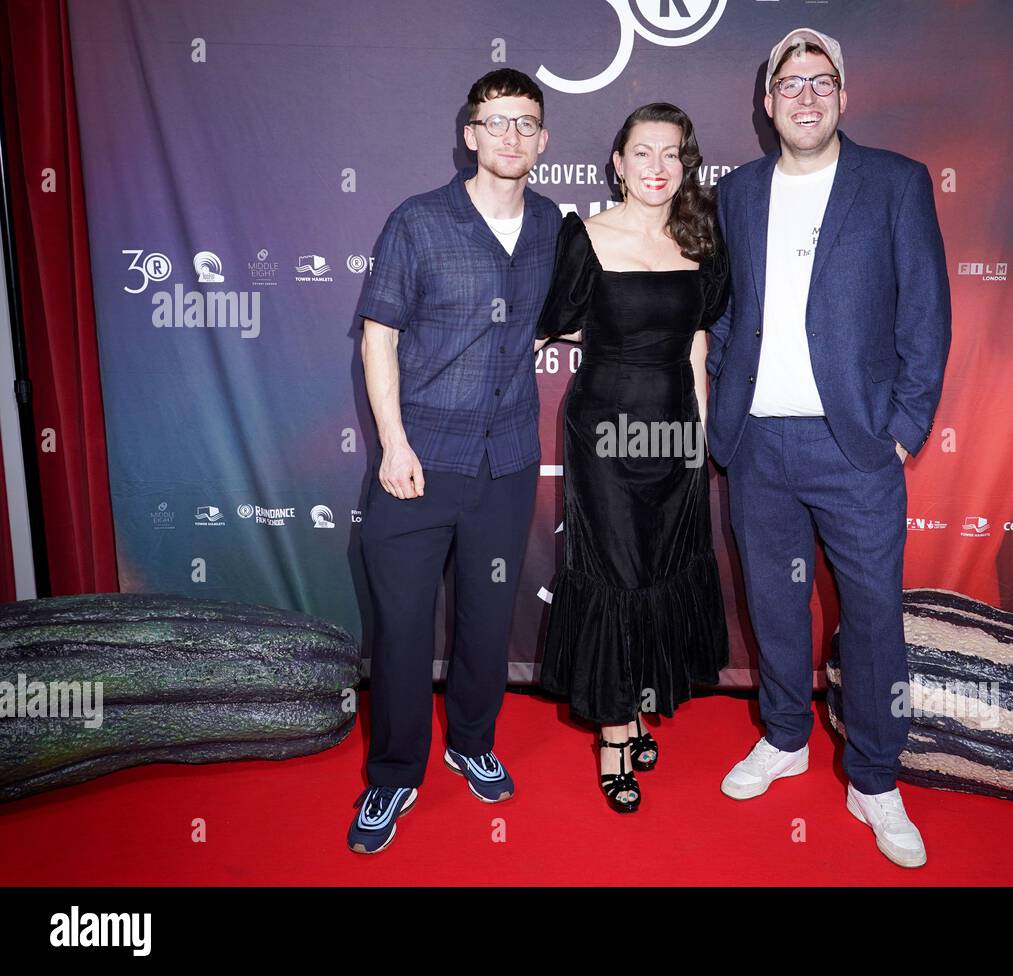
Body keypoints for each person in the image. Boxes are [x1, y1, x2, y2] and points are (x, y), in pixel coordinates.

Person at [707, 28, 951, 866]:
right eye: (790, 83)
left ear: (843, 97)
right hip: (758, 445)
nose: (805, 96)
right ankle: (785, 737)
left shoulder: (895, 182)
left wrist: (904, 430)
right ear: (767, 101)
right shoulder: (738, 192)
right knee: (775, 606)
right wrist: (721, 417)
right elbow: (734, 304)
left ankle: (876, 778)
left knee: (875, 615)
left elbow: (925, 313)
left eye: (821, 82)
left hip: (856, 448)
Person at [348, 68, 562, 853]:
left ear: (542, 140)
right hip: (419, 460)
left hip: (506, 461)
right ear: (471, 134)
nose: (511, 136)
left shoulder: (549, 225)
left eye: (526, 124)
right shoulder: (419, 222)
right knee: (403, 627)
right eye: (496, 122)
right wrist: (394, 443)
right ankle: (394, 776)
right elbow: (380, 337)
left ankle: (472, 740)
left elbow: (563, 315)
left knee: (486, 618)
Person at [535, 102, 731, 813]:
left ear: (686, 164)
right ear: (617, 164)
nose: (656, 167)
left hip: (676, 434)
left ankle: (642, 702)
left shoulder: (702, 239)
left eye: (671, 154)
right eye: (642, 152)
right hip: (605, 440)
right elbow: (545, 326)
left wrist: (702, 440)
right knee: (615, 574)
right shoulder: (583, 237)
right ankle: (615, 733)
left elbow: (700, 346)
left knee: (659, 572)